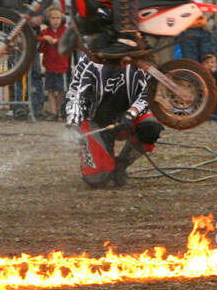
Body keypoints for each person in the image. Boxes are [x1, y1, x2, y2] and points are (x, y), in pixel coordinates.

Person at [64, 53, 162, 189]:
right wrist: (74, 123)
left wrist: (132, 112)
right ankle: (105, 165)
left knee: (150, 127)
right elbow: (75, 93)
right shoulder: (88, 59)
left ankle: (120, 166)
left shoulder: (139, 56)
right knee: (97, 179)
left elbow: (149, 92)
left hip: (128, 116)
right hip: (95, 120)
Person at [38, 7, 70, 120]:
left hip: (62, 65)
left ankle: (58, 109)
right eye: (53, 18)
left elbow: (68, 43)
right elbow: (41, 49)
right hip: (49, 66)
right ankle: (53, 112)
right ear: (49, 20)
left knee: (62, 90)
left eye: (58, 18)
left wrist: (57, 41)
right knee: (50, 90)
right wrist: (44, 40)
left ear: (62, 19)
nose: (56, 21)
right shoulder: (45, 32)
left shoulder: (66, 30)